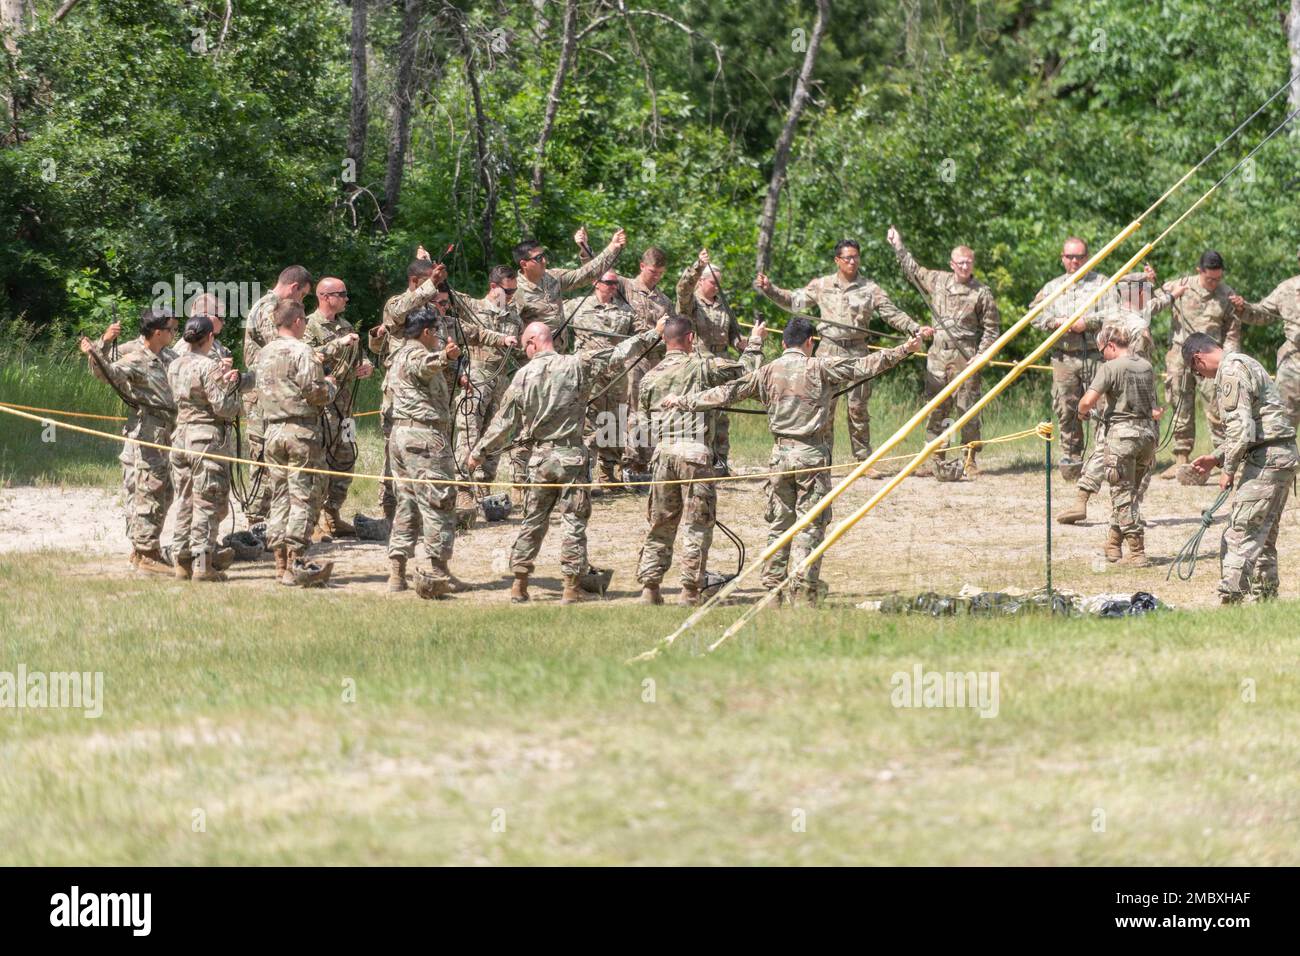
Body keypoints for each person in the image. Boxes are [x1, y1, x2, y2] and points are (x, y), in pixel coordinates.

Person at [662, 317, 923, 606]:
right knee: (810, 525)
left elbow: (727, 392)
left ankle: (772, 590)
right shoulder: (820, 366)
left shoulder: (767, 371)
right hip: (812, 457)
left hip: (779, 457)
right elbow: (866, 365)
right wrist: (906, 349)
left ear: (784, 342)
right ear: (810, 342)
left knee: (778, 524)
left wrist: (682, 401)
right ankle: (803, 590)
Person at [466, 319, 664, 604]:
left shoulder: (522, 376)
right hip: (571, 457)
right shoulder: (577, 364)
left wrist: (477, 454)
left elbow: (502, 422)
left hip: (539, 460)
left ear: (533, 342)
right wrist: (653, 333)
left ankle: (519, 584)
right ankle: (571, 588)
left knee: (532, 521)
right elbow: (621, 352)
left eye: (525, 346)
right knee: (573, 522)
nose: (525, 352)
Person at [756, 239, 931, 474]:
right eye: (847, 257)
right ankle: (823, 459)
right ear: (837, 260)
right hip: (828, 350)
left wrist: (915, 328)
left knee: (858, 407)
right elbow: (794, 301)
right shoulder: (822, 285)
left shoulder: (870, 288)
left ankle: (863, 462)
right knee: (824, 407)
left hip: (858, 351)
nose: (852, 261)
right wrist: (770, 289)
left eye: (856, 257)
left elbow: (892, 314)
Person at [634, 315, 767, 606]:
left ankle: (650, 588)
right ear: (691, 338)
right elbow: (746, 372)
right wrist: (755, 340)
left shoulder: (648, 378)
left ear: (665, 340)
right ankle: (690, 591)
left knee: (660, 524)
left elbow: (640, 425)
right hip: (695, 455)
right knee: (697, 525)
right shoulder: (703, 366)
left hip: (663, 455)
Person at [1184, 332, 1298, 604]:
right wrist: (1217, 457)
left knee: (1239, 532)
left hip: (1266, 460)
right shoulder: (1245, 361)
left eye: (1197, 372)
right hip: (1281, 454)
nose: (1203, 378)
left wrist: (1229, 469)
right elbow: (1257, 426)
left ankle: (1231, 600)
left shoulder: (1230, 371)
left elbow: (1241, 428)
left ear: (1197, 359)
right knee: (1264, 535)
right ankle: (1266, 600)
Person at [1058, 264, 1177, 524]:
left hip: (1107, 390)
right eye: (1146, 291)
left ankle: (1082, 499)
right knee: (1143, 452)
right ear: (1138, 294)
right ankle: (1130, 509)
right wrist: (1150, 406)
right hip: (1135, 396)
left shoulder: (1110, 316)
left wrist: (1169, 294)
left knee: (1103, 447)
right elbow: (1135, 367)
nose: (1148, 297)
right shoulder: (1138, 326)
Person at [887, 227, 1000, 476]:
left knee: (967, 408)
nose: (964, 266)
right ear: (952, 264)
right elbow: (912, 270)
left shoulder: (982, 293)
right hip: (938, 354)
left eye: (969, 262)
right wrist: (898, 244)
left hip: (966, 355)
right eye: (960, 262)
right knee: (937, 407)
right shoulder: (938, 280)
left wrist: (981, 355)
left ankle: (969, 457)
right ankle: (936, 457)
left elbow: (992, 329)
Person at [79, 308, 179, 574]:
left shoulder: (169, 356)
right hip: (147, 432)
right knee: (149, 490)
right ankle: (147, 552)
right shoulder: (136, 359)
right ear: (158, 332)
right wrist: (100, 346)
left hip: (168, 431)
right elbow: (107, 373)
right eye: (172, 329)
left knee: (165, 491)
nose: (174, 334)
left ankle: (143, 547)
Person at [384, 308, 473, 598]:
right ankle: (438, 571)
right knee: (439, 501)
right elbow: (424, 365)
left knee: (407, 502)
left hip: (401, 436)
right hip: (423, 437)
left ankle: (397, 571)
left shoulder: (396, 353)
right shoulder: (414, 353)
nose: (438, 336)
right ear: (425, 332)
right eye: (435, 331)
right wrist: (446, 357)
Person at [255, 299, 338, 587]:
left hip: (272, 431)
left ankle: (279, 561)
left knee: (279, 495)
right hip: (301, 431)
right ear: (299, 321)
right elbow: (314, 392)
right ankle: (295, 560)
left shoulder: (263, 353)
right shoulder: (303, 351)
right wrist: (331, 384)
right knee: (303, 495)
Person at [578, 237, 677, 476]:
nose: (657, 277)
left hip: (655, 360)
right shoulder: (624, 286)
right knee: (623, 414)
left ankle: (640, 462)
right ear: (642, 266)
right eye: (653, 272)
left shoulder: (664, 300)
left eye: (661, 273)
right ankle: (622, 463)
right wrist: (584, 248)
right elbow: (599, 270)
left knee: (648, 413)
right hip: (630, 361)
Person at [1029, 237, 1116, 480]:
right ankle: (1071, 457)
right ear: (1062, 258)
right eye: (1069, 257)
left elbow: (1115, 312)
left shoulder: (1103, 284)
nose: (1074, 261)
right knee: (1066, 408)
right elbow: (1034, 315)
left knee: (1101, 408)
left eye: (1079, 256)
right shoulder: (1052, 287)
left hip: (1097, 358)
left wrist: (1086, 323)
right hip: (1064, 358)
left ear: (1087, 257)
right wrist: (1055, 323)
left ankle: (1103, 459)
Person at [369, 255, 449, 520]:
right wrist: (430, 285)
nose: (434, 287)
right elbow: (399, 311)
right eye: (427, 282)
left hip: (428, 387)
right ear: (415, 281)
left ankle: (427, 508)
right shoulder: (397, 303)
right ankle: (390, 507)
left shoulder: (430, 306)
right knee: (393, 449)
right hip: (400, 391)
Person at [167, 315, 245, 580]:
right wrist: (234, 392)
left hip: (180, 437)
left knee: (185, 500)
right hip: (206, 438)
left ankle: (181, 561)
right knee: (206, 501)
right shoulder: (209, 366)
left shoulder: (174, 364)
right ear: (210, 338)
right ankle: (203, 563)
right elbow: (222, 407)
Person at [1076, 324, 1161, 566]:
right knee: (1129, 494)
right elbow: (1153, 406)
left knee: (1122, 496)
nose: (1102, 354)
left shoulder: (1110, 367)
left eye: (1102, 349)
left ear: (1111, 345)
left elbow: (1087, 401)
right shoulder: (1147, 366)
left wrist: (1082, 412)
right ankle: (1113, 544)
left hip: (1121, 438)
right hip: (1147, 436)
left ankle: (1137, 552)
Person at [1157, 250, 1246, 480]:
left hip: (1212, 359)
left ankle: (1224, 459)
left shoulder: (1227, 295)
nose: (1214, 283)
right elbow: (1153, 298)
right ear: (1200, 271)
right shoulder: (1181, 285)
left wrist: (1229, 359)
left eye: (1218, 278)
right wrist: (1151, 281)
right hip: (1180, 354)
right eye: (1210, 279)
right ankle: (1181, 460)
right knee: (1180, 405)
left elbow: (1233, 332)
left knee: (1219, 407)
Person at [242, 266, 314, 525]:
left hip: (272, 393)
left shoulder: (270, 305)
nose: (300, 303)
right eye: (303, 296)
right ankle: (256, 522)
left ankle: (273, 522)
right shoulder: (268, 308)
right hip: (263, 395)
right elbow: (282, 346)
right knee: (262, 459)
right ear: (294, 287)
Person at [304, 276, 374, 538]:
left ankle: (333, 514)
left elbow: (360, 356)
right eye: (342, 294)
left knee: (346, 459)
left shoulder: (345, 325)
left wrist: (366, 366)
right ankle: (315, 521)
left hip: (347, 409)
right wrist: (337, 344)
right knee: (320, 463)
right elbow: (306, 356)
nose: (346, 299)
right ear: (325, 297)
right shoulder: (309, 325)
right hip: (323, 409)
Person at [449, 265, 525, 489]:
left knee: (497, 433)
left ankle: (484, 485)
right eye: (507, 291)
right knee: (469, 432)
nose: (511, 296)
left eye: (514, 292)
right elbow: (444, 289)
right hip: (477, 377)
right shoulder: (472, 307)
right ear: (493, 287)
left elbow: (519, 351)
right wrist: (429, 262)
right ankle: (463, 485)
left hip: (501, 381)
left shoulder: (514, 318)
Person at [564, 269, 635, 488]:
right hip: (588, 373)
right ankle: (585, 473)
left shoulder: (625, 310)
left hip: (615, 374)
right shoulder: (576, 305)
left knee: (614, 421)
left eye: (616, 283)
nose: (614, 286)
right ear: (596, 283)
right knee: (588, 423)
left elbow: (638, 334)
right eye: (609, 282)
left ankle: (608, 471)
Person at [676, 248, 744, 474]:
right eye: (713, 283)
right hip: (701, 363)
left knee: (722, 415)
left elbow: (733, 331)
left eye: (719, 284)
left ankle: (721, 461)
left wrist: (739, 343)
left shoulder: (723, 304)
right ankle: (701, 460)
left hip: (723, 363)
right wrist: (697, 266)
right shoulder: (692, 303)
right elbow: (682, 289)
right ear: (701, 281)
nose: (717, 287)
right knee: (702, 414)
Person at [513, 226, 626, 350]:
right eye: (538, 258)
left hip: (560, 354)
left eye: (544, 255)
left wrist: (612, 247)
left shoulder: (553, 277)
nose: (544, 261)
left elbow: (585, 274)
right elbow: (506, 330)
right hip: (533, 360)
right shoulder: (514, 291)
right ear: (524, 264)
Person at [1240, 249, 1300, 425]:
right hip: (1292, 363)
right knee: (1283, 420)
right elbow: (1262, 314)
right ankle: (1285, 454)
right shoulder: (1286, 289)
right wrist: (1243, 307)